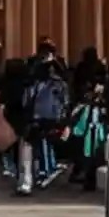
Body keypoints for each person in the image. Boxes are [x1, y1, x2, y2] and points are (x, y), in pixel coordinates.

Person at [22, 58, 68, 191]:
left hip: (39, 116)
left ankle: (46, 169)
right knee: (47, 141)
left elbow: (28, 100)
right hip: (53, 116)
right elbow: (65, 100)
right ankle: (48, 167)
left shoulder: (36, 84)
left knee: (40, 142)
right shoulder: (60, 83)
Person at [68, 81, 108, 192]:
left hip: (95, 133)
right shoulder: (85, 106)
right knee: (87, 157)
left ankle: (90, 180)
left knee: (94, 157)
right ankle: (87, 179)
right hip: (88, 134)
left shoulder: (100, 105)